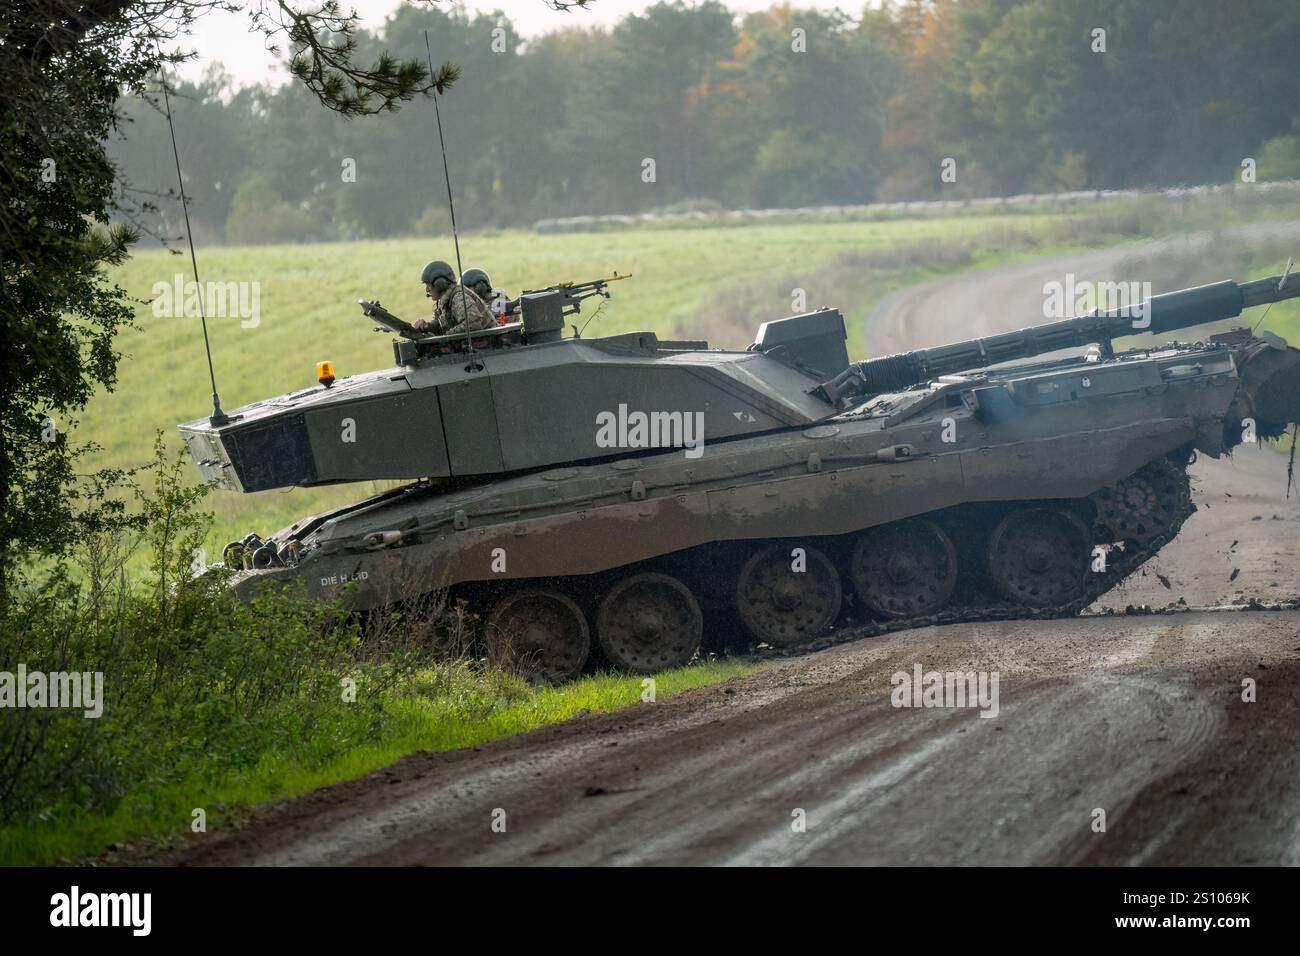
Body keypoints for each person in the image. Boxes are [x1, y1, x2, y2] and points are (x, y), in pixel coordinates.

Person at [413, 259, 494, 335]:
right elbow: (440, 326)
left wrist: (447, 336)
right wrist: (427, 326)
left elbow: (473, 325)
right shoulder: (444, 301)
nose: (427, 290)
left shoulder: (458, 297)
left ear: (439, 284)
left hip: (491, 342)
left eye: (428, 285)